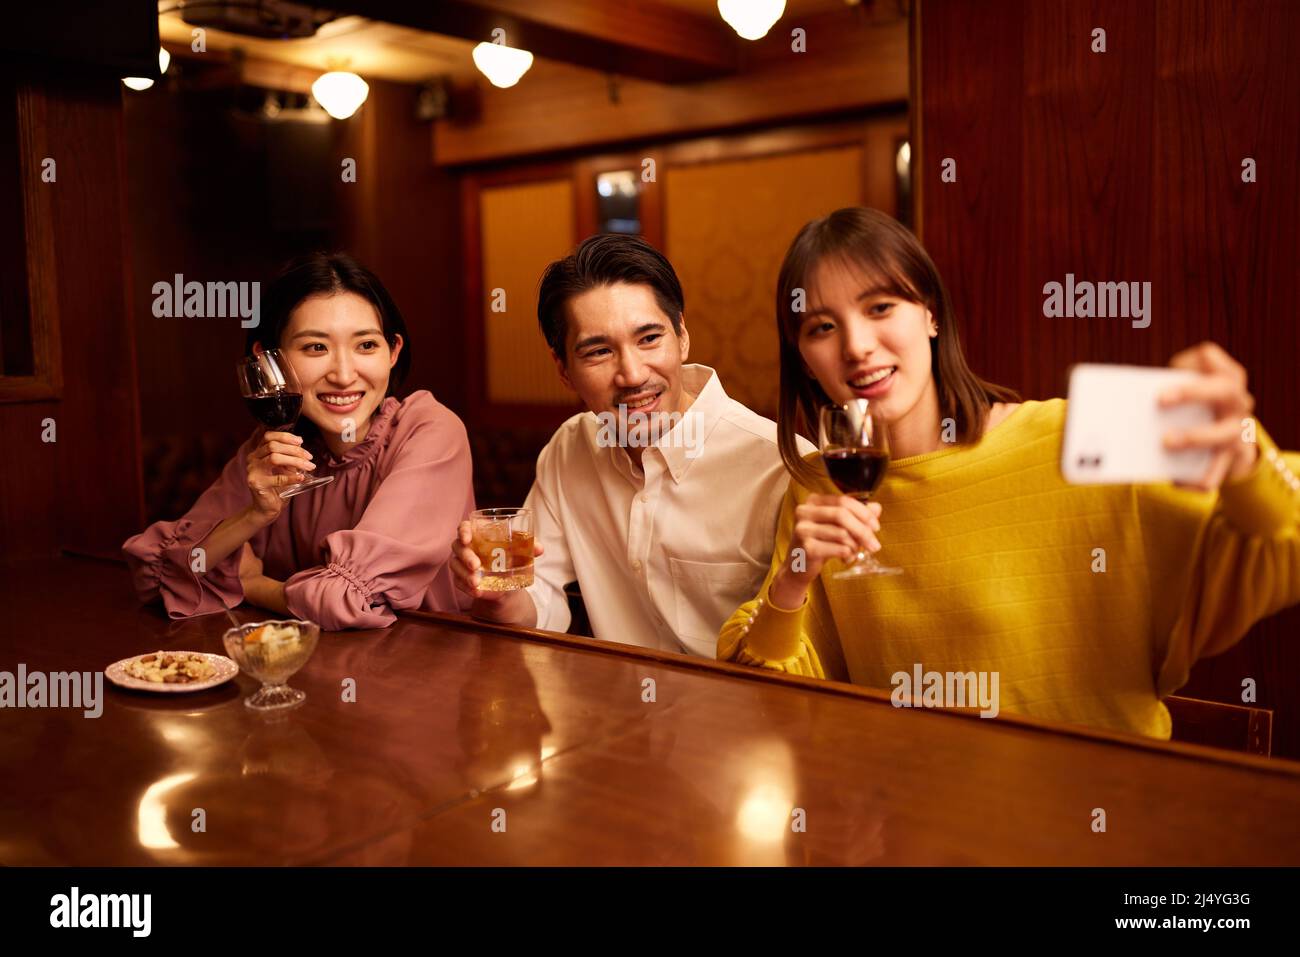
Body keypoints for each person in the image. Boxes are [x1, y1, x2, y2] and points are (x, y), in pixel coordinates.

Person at [720, 206, 1300, 738]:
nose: (857, 346)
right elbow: (771, 688)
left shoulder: (1071, 440)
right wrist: (793, 582)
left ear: (930, 314)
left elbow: (1281, 542)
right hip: (913, 824)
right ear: (804, 357)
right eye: (822, 327)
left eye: (879, 308)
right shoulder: (821, 486)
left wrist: (1244, 451)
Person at [450, 234, 812, 656]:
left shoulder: (783, 467)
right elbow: (540, 601)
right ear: (563, 370)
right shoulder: (571, 449)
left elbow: (803, 653)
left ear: (682, 335)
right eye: (599, 351)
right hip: (611, 712)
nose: (633, 374)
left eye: (649, 339)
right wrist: (495, 593)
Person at [123, 252, 474, 630]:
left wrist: (256, 586)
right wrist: (253, 516)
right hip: (319, 673)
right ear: (269, 360)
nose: (343, 374)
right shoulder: (276, 447)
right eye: (315, 347)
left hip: (433, 668)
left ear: (393, 351)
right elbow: (165, 576)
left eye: (366, 346)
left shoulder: (431, 431)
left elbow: (347, 600)